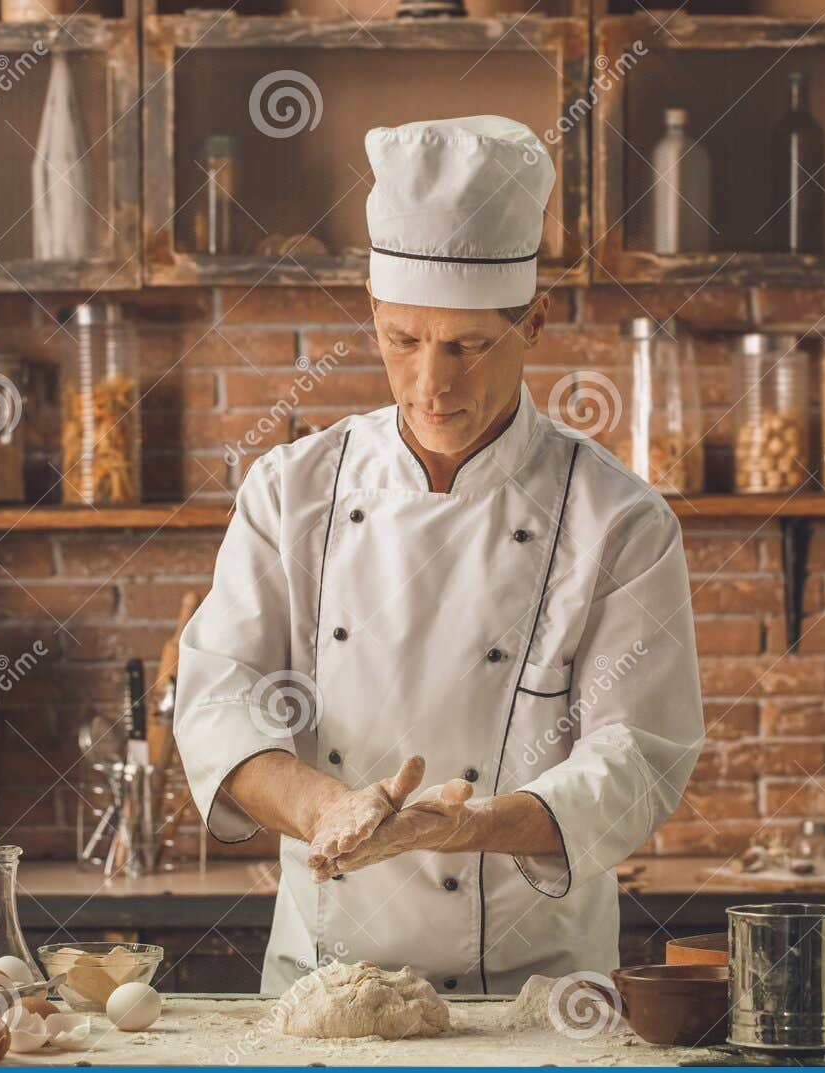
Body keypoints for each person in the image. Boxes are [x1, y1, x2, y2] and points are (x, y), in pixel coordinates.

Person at [174, 115, 705, 995]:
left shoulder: (618, 520)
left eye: (468, 345)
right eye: (404, 340)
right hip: (325, 989)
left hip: (535, 999)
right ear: (373, 314)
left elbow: (639, 757)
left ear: (535, 321)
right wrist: (330, 808)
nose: (432, 384)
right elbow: (218, 702)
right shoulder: (290, 492)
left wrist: (465, 827)